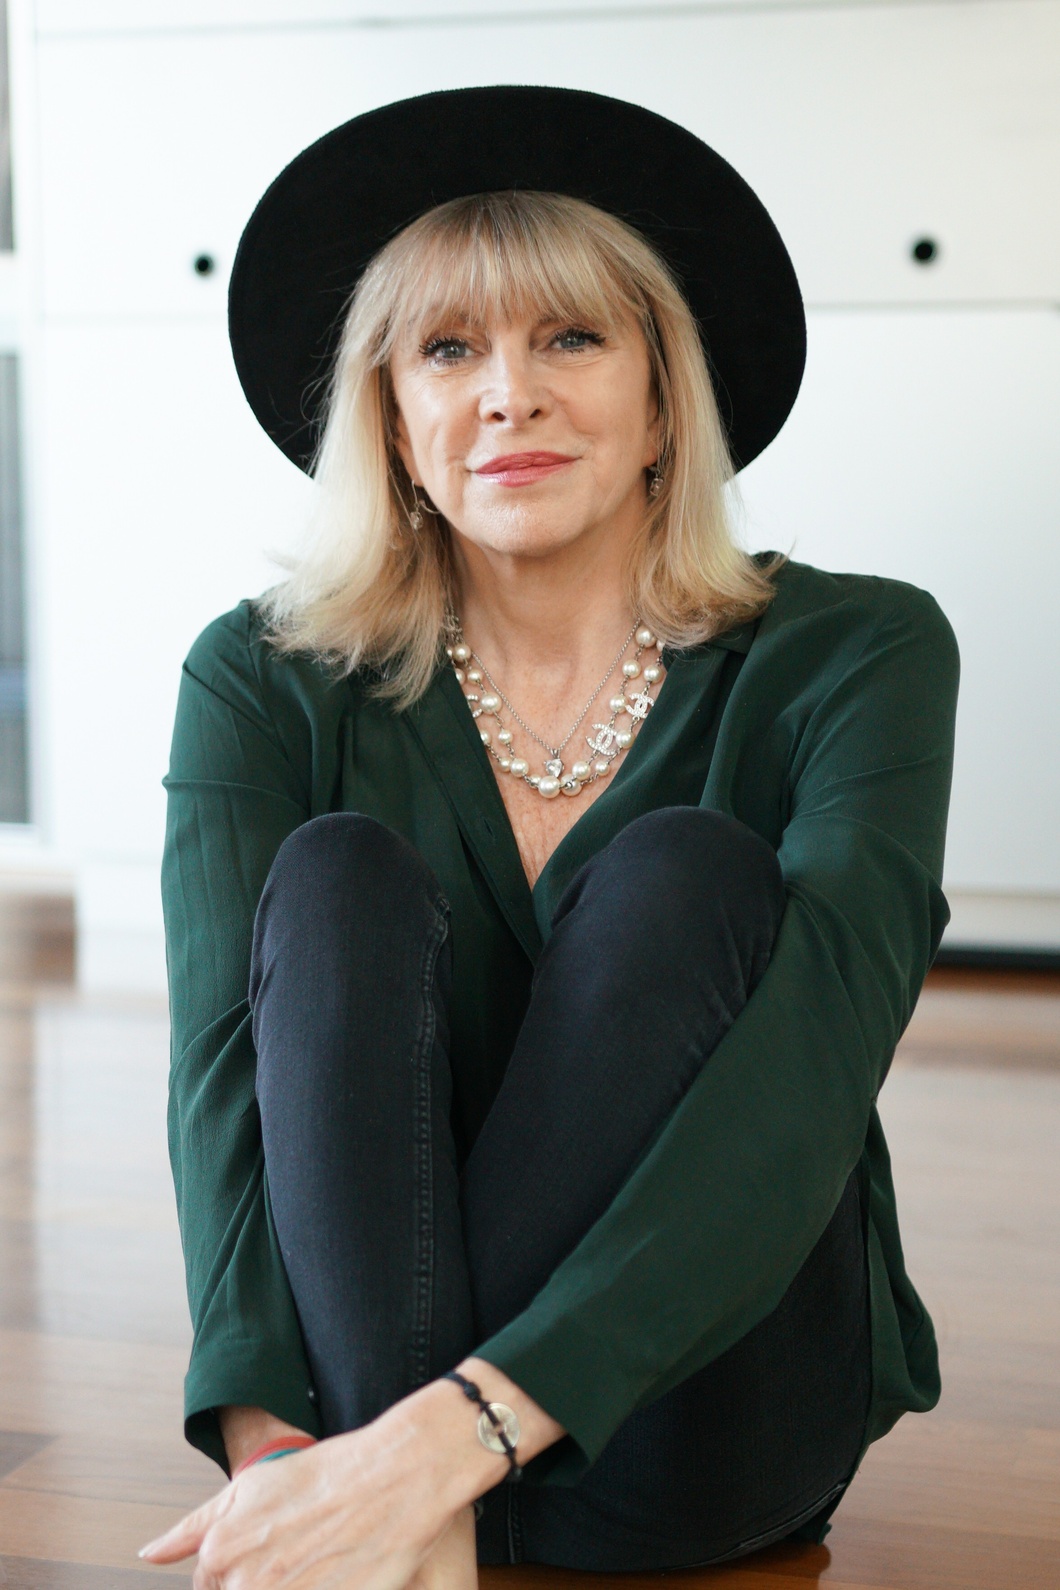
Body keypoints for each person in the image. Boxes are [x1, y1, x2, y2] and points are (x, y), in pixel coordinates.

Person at [141, 86, 958, 1589]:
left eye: (571, 338)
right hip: (362, 1432)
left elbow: (815, 1068)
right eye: (449, 350)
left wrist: (440, 1443)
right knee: (331, 877)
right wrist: (284, 1462)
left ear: (665, 400)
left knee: (688, 876)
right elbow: (222, 1077)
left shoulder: (862, 650)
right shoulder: (257, 675)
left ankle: (430, 1477)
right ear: (392, 421)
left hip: (683, 1429)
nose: (508, 394)